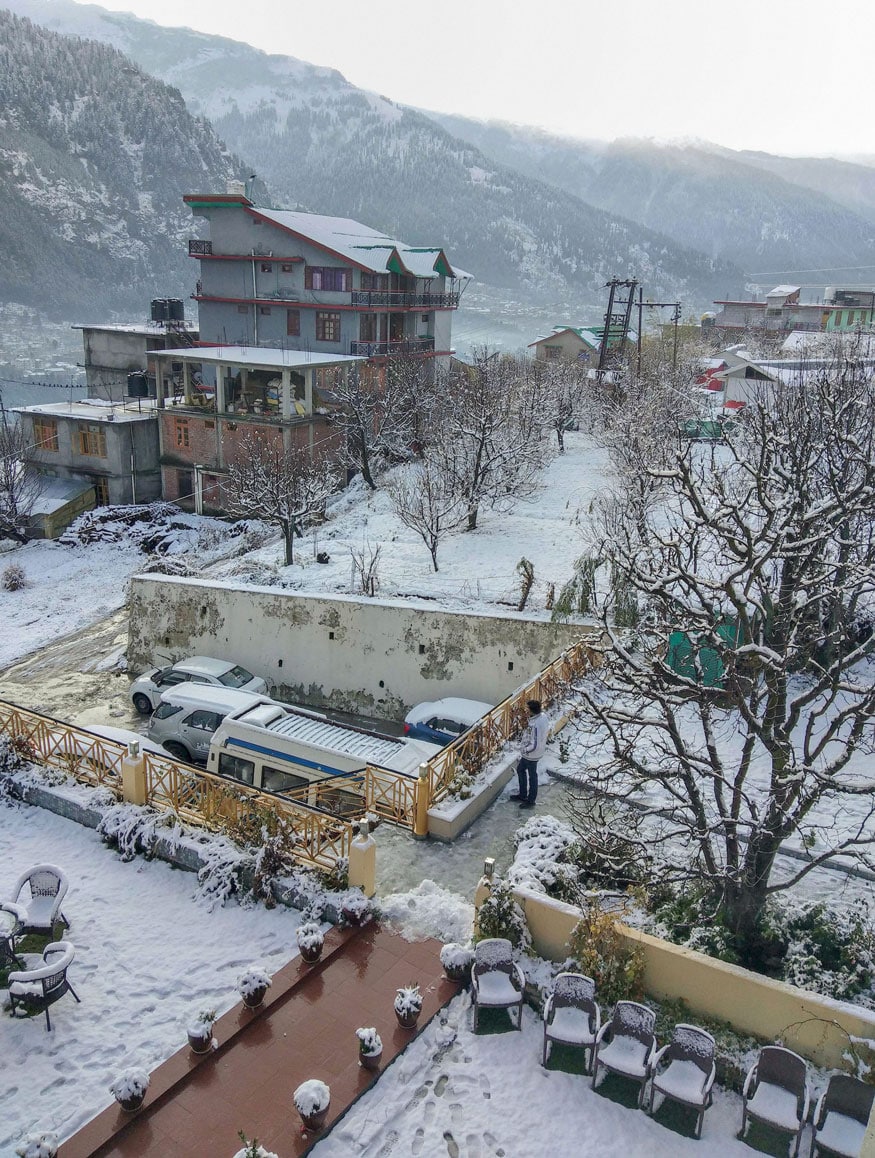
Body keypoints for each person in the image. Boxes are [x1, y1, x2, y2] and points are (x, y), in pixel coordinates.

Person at [510, 699, 550, 809]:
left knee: (532, 776)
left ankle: (530, 800)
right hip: (534, 752)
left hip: (531, 754)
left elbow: (535, 743)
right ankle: (524, 795)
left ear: (532, 710)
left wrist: (524, 750)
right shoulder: (542, 717)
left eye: (527, 709)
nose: (526, 711)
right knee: (522, 770)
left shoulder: (535, 725)